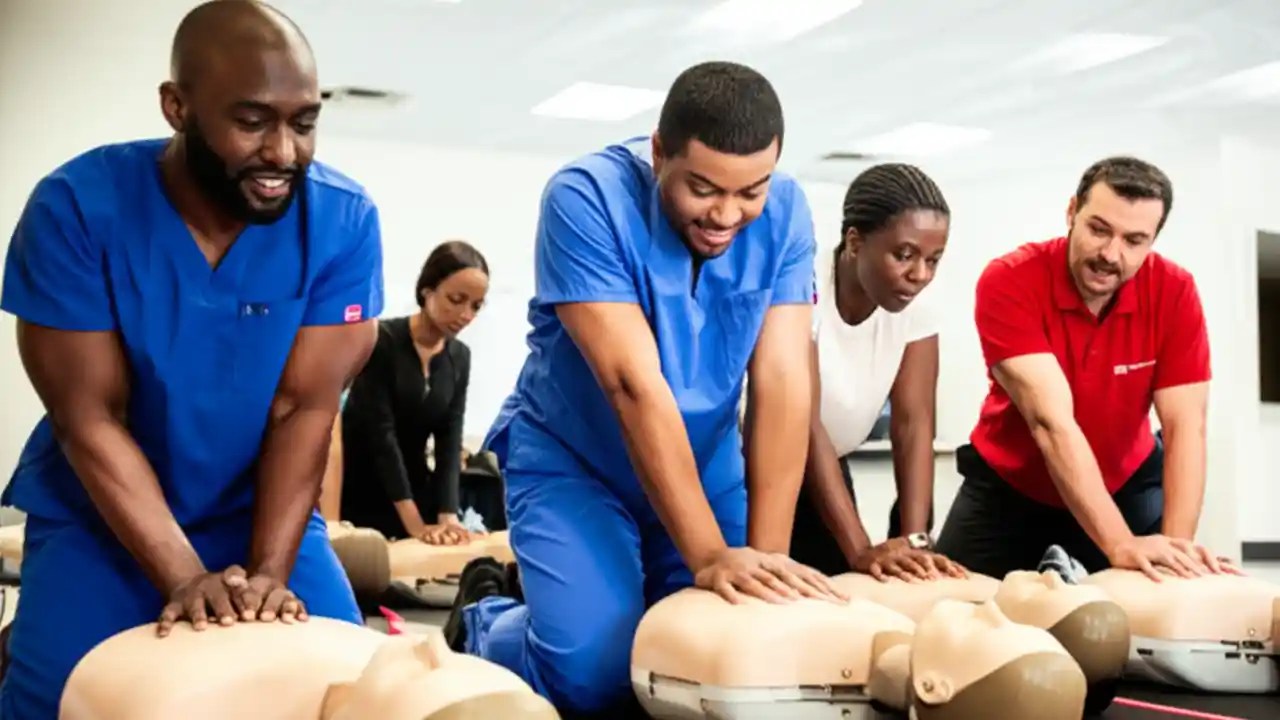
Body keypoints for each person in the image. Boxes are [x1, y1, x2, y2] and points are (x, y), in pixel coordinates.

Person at [0, 1, 383, 716]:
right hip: (100, 517)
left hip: (257, 510)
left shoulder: (342, 220)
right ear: (178, 107)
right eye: (252, 121)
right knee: (61, 698)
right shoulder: (76, 209)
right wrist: (183, 576)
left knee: (347, 688)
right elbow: (90, 416)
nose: (284, 152)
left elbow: (307, 407)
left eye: (304, 122)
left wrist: (269, 577)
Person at [441, 61, 845, 715]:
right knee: (597, 675)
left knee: (717, 650)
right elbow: (632, 385)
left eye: (751, 192)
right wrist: (712, 554)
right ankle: (489, 622)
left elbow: (782, 381)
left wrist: (764, 565)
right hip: (576, 462)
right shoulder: (586, 197)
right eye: (704, 188)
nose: (727, 215)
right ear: (660, 152)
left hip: (705, 463)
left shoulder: (789, 212)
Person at [933, 156, 1236, 581]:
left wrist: (1178, 551)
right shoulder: (1010, 280)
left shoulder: (1174, 290)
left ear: (1153, 240)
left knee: (1150, 602)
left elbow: (1186, 426)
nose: (1111, 254)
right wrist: (1119, 544)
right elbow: (1051, 423)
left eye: (1134, 240)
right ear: (1072, 212)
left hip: (1124, 483)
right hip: (1011, 488)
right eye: (1098, 229)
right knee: (950, 609)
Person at [790, 163, 964, 581]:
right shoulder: (804, 288)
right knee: (805, 587)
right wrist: (859, 548)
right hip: (769, 461)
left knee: (865, 583)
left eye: (933, 260)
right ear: (855, 241)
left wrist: (915, 539)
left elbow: (914, 421)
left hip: (831, 459)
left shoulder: (915, 304)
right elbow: (804, 422)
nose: (919, 275)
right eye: (903, 255)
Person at [339, 241, 489, 544]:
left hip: (417, 490)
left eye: (475, 306)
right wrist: (416, 526)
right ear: (427, 291)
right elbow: (381, 437)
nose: (466, 315)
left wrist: (447, 516)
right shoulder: (380, 341)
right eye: (456, 299)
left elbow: (450, 440)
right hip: (363, 490)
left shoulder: (459, 356)